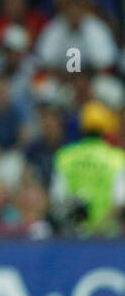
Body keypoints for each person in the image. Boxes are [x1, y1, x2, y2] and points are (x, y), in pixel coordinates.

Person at [51, 101, 125, 236]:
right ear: (106, 129)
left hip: (73, 235)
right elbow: (119, 202)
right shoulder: (117, 158)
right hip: (106, 237)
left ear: (82, 128)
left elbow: (57, 197)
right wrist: (98, 229)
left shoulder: (65, 156)